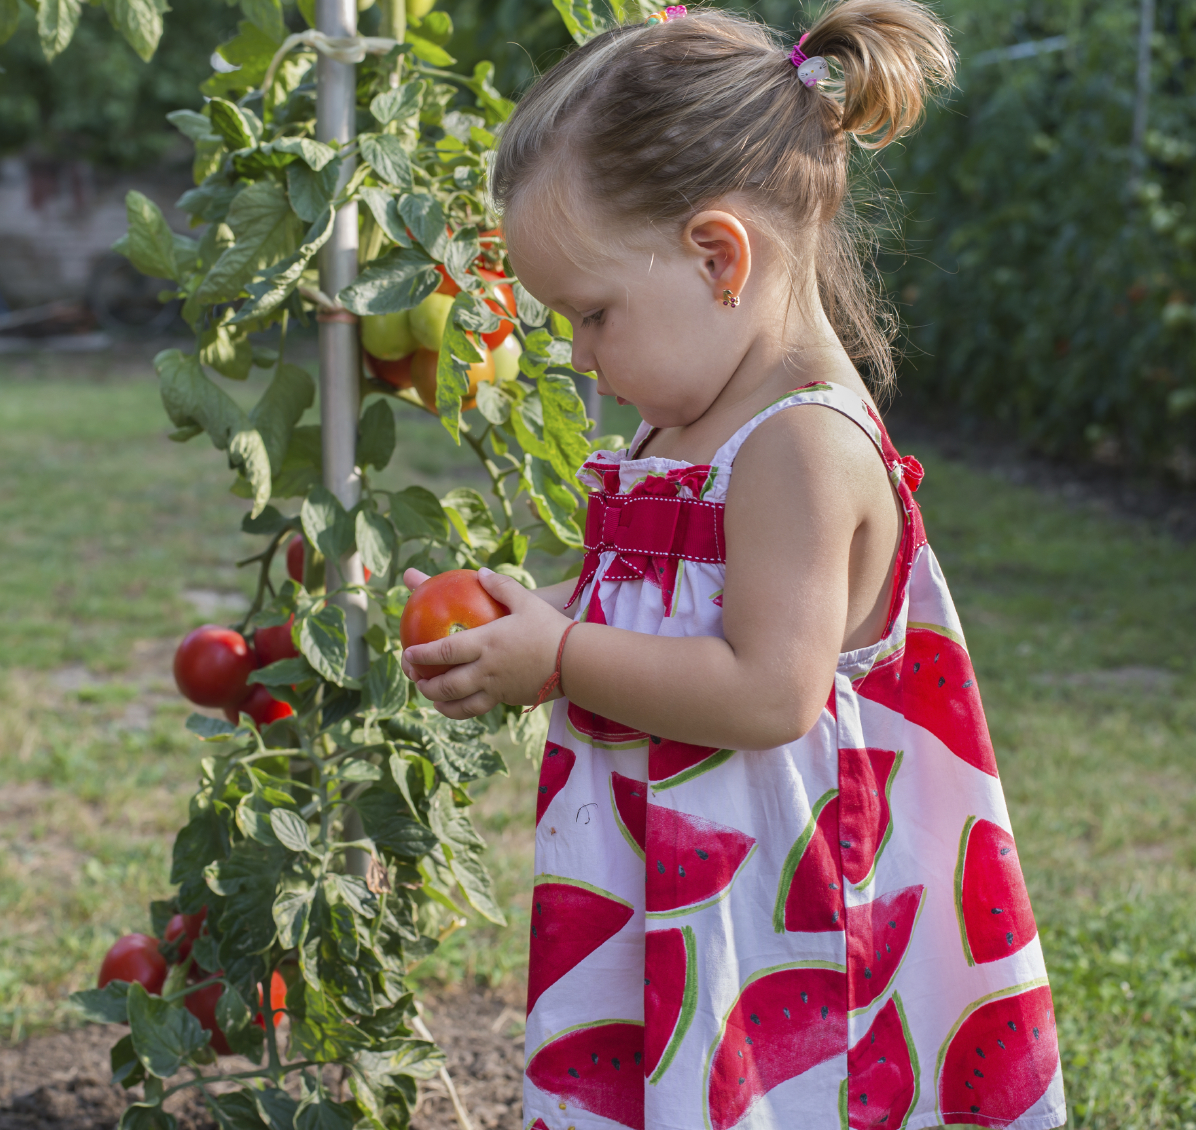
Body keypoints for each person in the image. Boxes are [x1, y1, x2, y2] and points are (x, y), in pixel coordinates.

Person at [400, 3, 1066, 1127]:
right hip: (674, 878)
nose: (578, 353)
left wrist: (559, 656)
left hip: (774, 909)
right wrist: (525, 617)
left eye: (592, 313)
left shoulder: (800, 444)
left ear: (718, 257)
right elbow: (654, 600)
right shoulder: (683, 420)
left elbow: (767, 690)